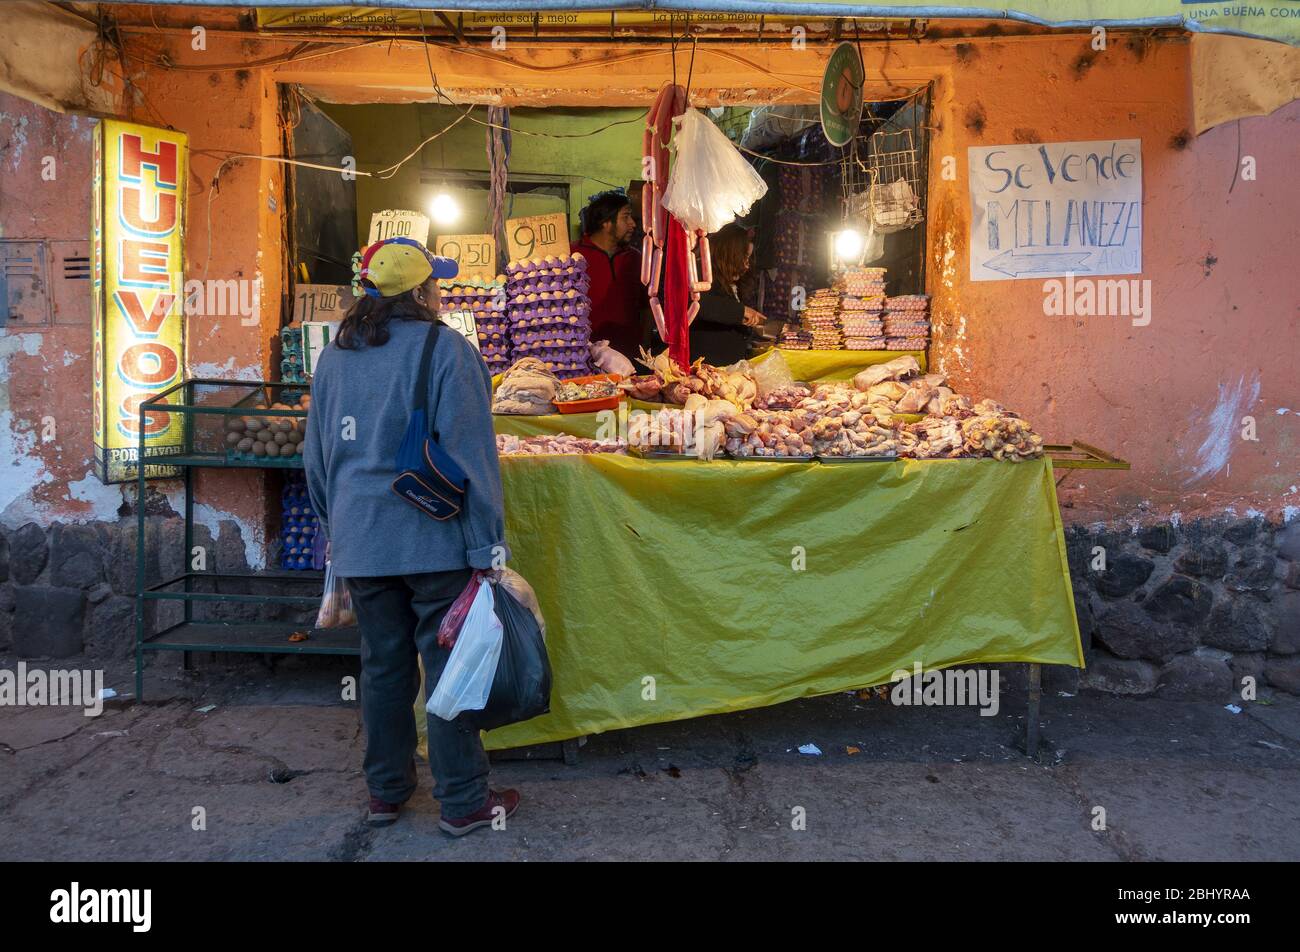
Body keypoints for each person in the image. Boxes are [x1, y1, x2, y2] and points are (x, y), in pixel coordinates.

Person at [303, 236, 520, 837]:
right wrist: (486, 547)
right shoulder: (448, 350)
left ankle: (386, 794)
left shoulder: (335, 356)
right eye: (437, 283)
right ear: (422, 292)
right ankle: (463, 802)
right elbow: (473, 459)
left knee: (383, 668)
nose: (441, 291)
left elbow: (317, 462)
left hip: (361, 542)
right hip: (434, 540)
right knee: (450, 668)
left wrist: (337, 527)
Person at [572, 189, 646, 361]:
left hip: (630, 357)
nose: (633, 224)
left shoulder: (635, 258)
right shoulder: (573, 254)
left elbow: (646, 306)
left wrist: (645, 341)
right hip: (584, 357)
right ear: (606, 222)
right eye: (625, 217)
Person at [689, 222, 766, 366]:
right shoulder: (701, 273)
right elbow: (700, 304)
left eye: (748, 258)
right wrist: (742, 311)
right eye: (744, 257)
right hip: (702, 368)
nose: (746, 265)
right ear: (729, 254)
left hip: (726, 371)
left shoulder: (732, 283)